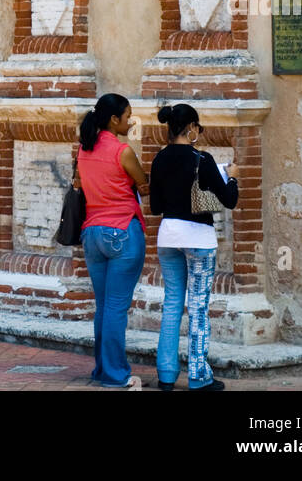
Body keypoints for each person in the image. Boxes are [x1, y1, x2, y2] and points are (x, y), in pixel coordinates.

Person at [148, 102, 239, 392]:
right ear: (191, 129)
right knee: (198, 307)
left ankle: (166, 375)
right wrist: (233, 176)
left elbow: (156, 206)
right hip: (198, 238)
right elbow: (229, 199)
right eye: (198, 127)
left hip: (168, 237)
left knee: (172, 304)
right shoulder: (203, 159)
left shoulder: (159, 159)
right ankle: (199, 377)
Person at [76, 93, 148, 388]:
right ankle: (117, 375)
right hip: (121, 231)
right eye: (127, 116)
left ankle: (102, 370)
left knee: (104, 306)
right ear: (113, 119)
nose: (130, 122)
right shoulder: (123, 151)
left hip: (91, 234)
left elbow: (80, 182)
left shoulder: (84, 149)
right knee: (117, 308)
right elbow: (142, 180)